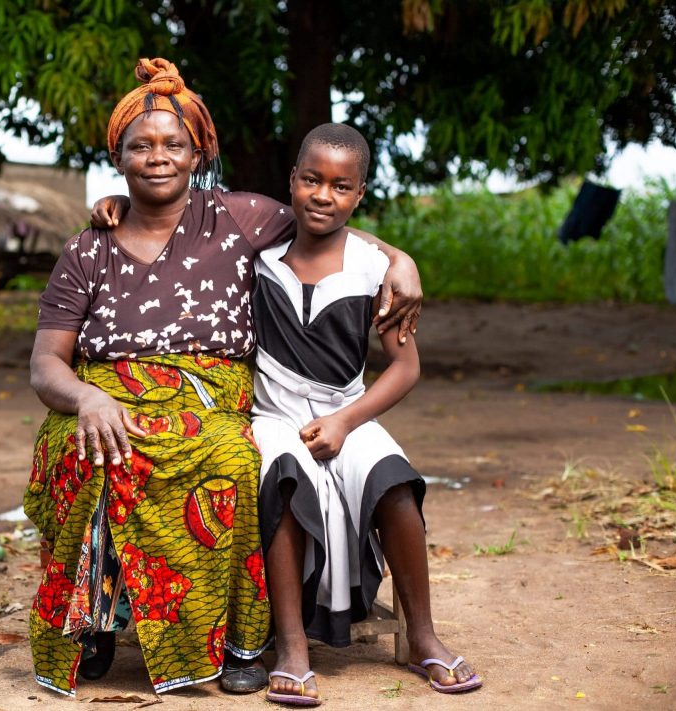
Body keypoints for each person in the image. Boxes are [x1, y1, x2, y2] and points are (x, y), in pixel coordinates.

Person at [26, 58, 422, 698]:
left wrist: (400, 260)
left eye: (173, 144)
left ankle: (238, 640)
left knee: (233, 458)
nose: (158, 157)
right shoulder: (87, 248)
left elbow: (326, 219)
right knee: (85, 449)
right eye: (141, 146)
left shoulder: (238, 217)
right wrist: (86, 397)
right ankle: (93, 620)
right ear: (118, 156)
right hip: (103, 396)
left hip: (208, 402)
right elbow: (46, 363)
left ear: (197, 154)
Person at [250, 123, 481, 706]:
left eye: (340, 186)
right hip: (272, 415)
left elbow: (405, 368)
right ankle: (292, 646)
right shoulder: (259, 256)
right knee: (284, 477)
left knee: (394, 480)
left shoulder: (374, 270)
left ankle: (423, 636)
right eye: (311, 180)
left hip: (347, 409)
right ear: (292, 180)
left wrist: (345, 423)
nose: (323, 196)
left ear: (359, 195)